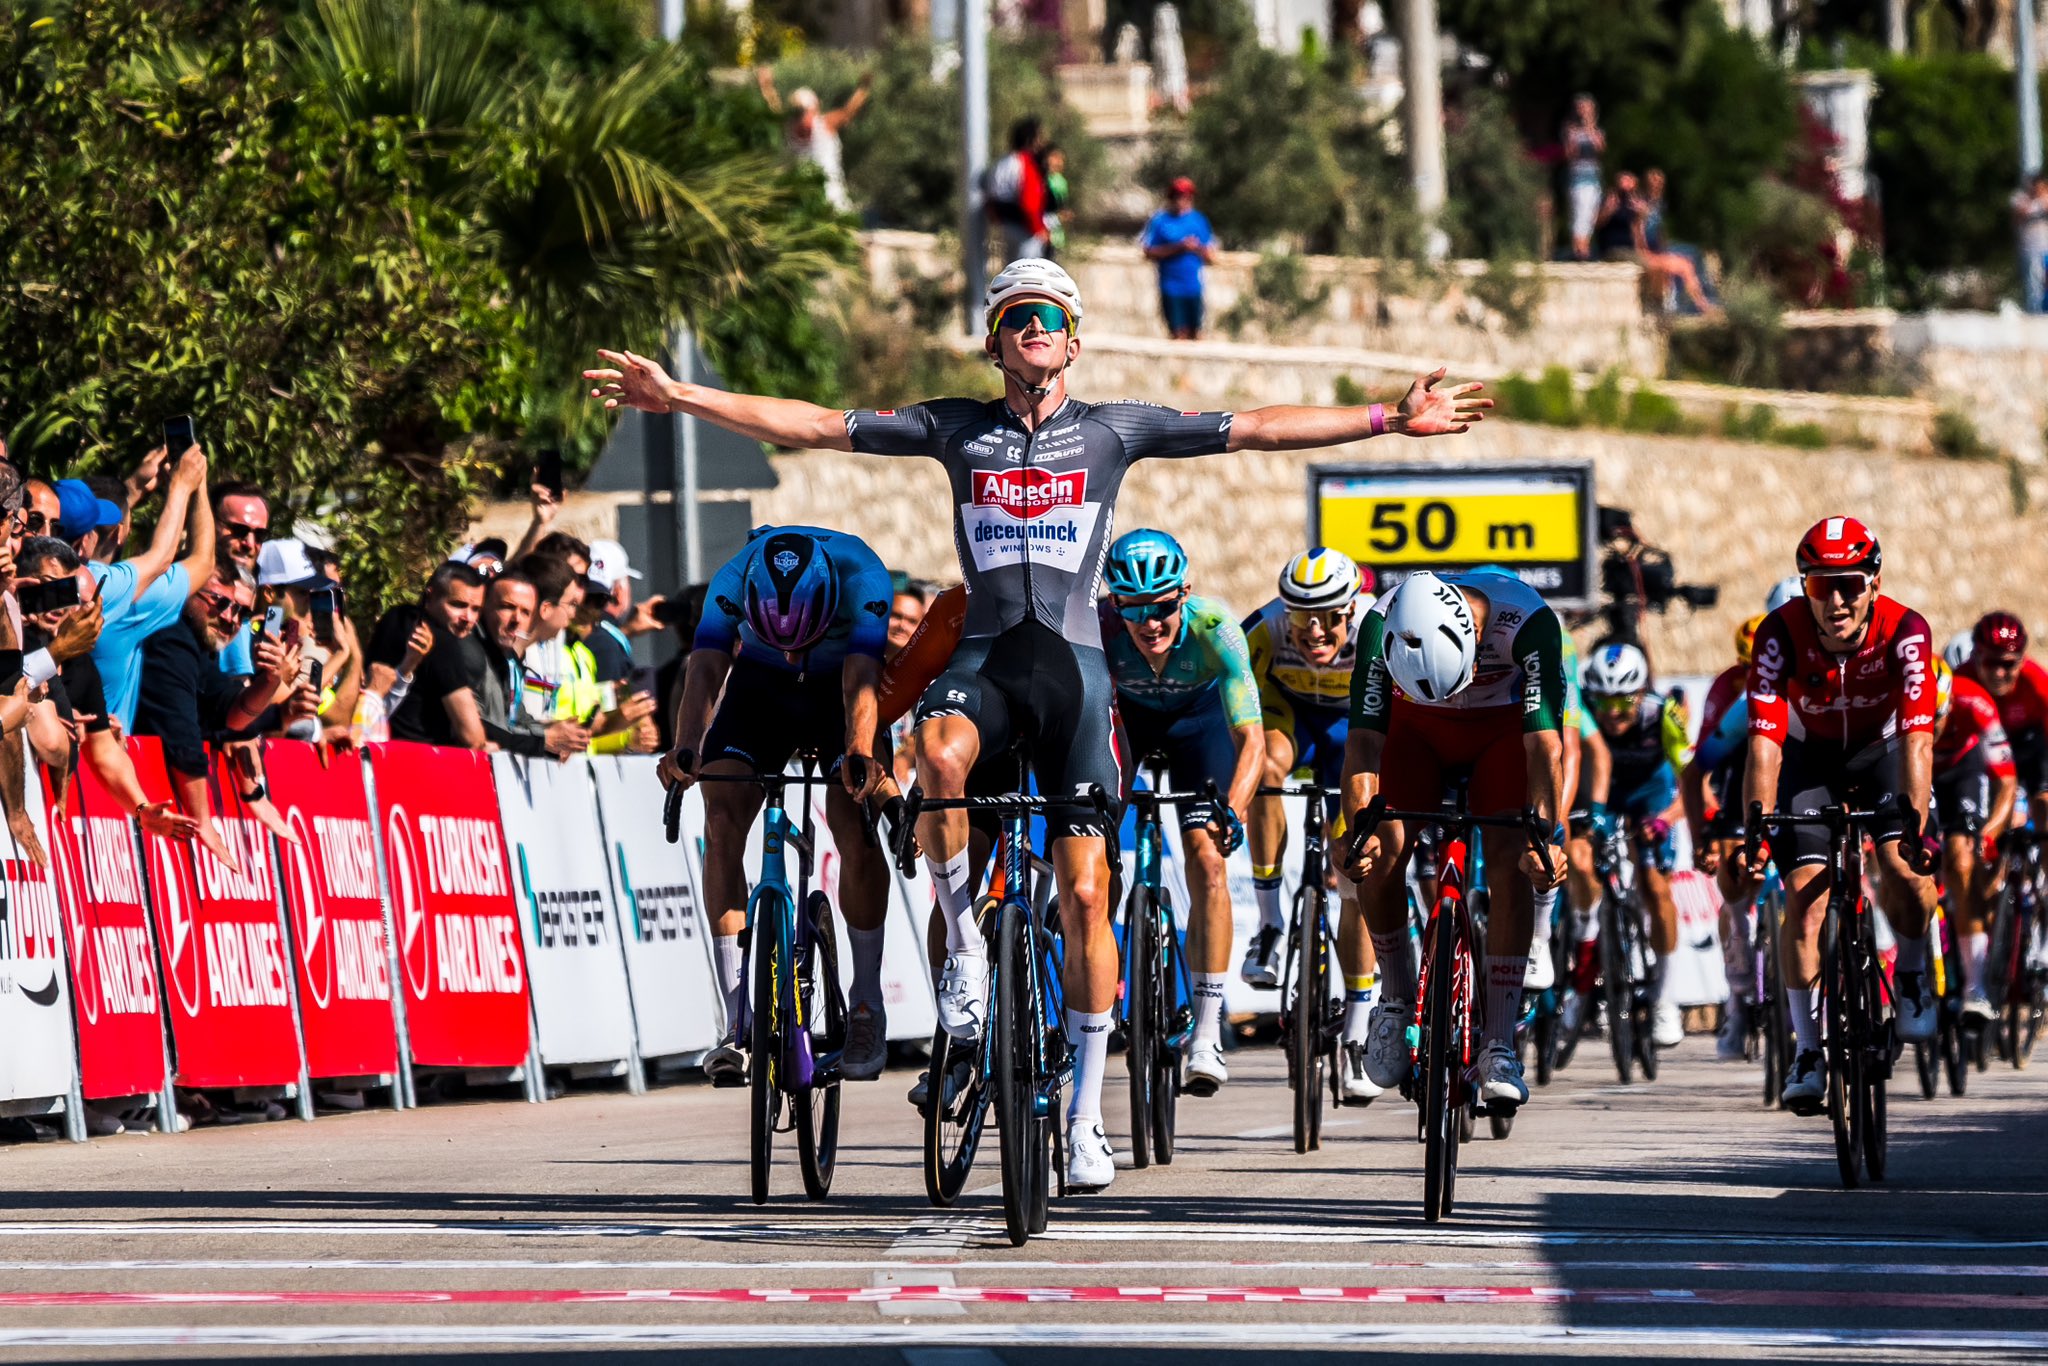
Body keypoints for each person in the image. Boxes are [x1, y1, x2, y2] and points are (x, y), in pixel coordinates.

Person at [588, 256, 1487, 1190]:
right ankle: (965, 957)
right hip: (983, 666)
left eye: (1051, 316)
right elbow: (816, 424)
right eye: (1018, 315)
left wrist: (1387, 417)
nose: (1035, 330)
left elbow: (1256, 428)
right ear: (993, 339)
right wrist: (679, 396)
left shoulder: (1112, 431)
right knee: (935, 751)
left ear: (1075, 340)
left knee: (1088, 896)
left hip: (1076, 677)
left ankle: (1089, 1118)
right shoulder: (951, 428)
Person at [662, 526, 895, 1084]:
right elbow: (707, 669)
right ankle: (737, 1015)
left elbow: (862, 682)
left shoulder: (863, 575)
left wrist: (858, 753)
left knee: (853, 820)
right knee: (720, 817)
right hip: (761, 686)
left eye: (800, 637)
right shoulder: (733, 577)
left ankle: (865, 1004)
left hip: (838, 683)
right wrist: (686, 745)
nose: (793, 646)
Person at [1338, 571, 1569, 1110]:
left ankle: (1499, 1043)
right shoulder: (1379, 623)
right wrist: (1356, 834)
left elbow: (1545, 751)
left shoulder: (1529, 622)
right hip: (1414, 732)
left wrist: (1546, 840)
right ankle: (1394, 1000)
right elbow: (1365, 745)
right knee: (1379, 846)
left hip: (1502, 734)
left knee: (1515, 860)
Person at [1737, 517, 1939, 1115]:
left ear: (1873, 581)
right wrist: (1756, 821)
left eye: (1849, 584)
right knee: (1804, 898)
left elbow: (1919, 740)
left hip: (1883, 753)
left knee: (1904, 870)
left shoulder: (1906, 630)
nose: (1837, 600)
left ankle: (1912, 976)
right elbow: (1765, 744)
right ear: (1806, 587)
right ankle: (1806, 1051)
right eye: (1821, 586)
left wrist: (1916, 826)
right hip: (1809, 761)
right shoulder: (1780, 633)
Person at [1100, 529, 1262, 1096]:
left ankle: (1208, 1029)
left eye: (1164, 605)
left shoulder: (1214, 627)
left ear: (1184, 593)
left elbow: (1253, 741)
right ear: (1114, 603)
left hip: (1201, 726)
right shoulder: (1098, 627)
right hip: (1130, 722)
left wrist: (1232, 812)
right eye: (1135, 609)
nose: (1150, 623)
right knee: (1091, 852)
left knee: (1208, 861)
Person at [1240, 549, 1383, 1099]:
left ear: (1352, 607)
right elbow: (1234, 707)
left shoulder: (1377, 627)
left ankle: (1358, 1031)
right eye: (1301, 617)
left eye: (1327, 615)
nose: (1314, 630)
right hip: (1290, 716)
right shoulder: (1263, 629)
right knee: (1266, 766)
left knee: (1355, 878)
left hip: (1354, 730)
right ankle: (1273, 923)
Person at [16, 536, 195, 841]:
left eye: (69, 593)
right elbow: (49, 742)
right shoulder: (14, 638)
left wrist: (141, 808)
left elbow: (104, 750)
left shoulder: (81, 665)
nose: (62, 603)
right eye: (51, 587)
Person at [132, 565, 297, 865]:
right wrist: (202, 820)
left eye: (241, 613)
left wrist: (271, 683)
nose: (229, 618)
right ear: (190, 589)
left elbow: (227, 713)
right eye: (221, 603)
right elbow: (181, 732)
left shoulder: (199, 644)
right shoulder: (170, 633)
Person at [1577, 641, 1690, 1050]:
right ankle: (1584, 945)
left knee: (1656, 887)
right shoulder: (1582, 713)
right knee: (1580, 860)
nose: (1611, 715)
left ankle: (1665, 997)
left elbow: (1693, 782)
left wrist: (1665, 819)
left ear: (1641, 695)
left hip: (1651, 796)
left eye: (1623, 704)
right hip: (1602, 794)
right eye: (1602, 703)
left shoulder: (1663, 715)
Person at [1682, 613, 1765, 1059]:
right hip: (1741, 765)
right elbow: (1697, 770)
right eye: (1749, 668)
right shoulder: (1729, 690)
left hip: (1794, 765)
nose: (1758, 677)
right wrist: (1704, 837)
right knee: (1734, 872)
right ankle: (1737, 995)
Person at [89, 443, 216, 734]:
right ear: (122, 531)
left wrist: (132, 488)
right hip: (96, 765)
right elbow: (201, 561)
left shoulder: (46, 571)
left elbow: (101, 525)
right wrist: (189, 486)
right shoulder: (119, 594)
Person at [1929, 657, 2018, 1020]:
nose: (1933, 726)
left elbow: (2007, 781)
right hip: (1918, 768)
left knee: (1962, 857)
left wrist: (1989, 831)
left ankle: (1974, 986)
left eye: (1938, 716)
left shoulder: (1975, 703)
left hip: (1963, 770)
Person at [382, 562, 489, 750]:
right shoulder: (442, 641)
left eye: (476, 609)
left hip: (376, 751)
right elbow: (472, 737)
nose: (468, 618)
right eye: (458, 605)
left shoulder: (395, 617)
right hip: (420, 761)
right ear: (430, 596)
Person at [1958, 610, 2048, 832]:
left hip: (2028, 746)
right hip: (1984, 753)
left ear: (2021, 661)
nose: (1999, 673)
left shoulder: (2036, 682)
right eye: (1990, 663)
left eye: (2007, 665)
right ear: (1976, 657)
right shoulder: (1961, 681)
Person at [757, 67, 870, 215]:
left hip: (831, 198)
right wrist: (766, 86)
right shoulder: (789, 126)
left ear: (815, 110)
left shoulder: (825, 125)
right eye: (798, 113)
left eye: (804, 112)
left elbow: (849, 111)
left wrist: (863, 88)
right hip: (801, 196)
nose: (802, 118)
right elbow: (774, 106)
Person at [1141, 176, 1216, 341]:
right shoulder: (1160, 221)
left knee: (1197, 334)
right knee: (1178, 334)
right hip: (1171, 287)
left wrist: (1195, 248)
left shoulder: (1199, 220)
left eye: (1187, 195)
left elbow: (1210, 254)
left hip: (1193, 286)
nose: (1182, 199)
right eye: (1178, 195)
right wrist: (1178, 248)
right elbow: (1148, 251)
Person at [985, 118, 1051, 261]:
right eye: (1039, 136)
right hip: (1025, 229)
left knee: (1011, 272)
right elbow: (1029, 203)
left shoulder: (1002, 163)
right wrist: (1039, 229)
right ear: (1031, 139)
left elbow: (991, 198)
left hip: (1006, 227)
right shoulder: (1025, 163)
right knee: (1029, 276)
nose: (1042, 141)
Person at [1562, 95, 1606, 261]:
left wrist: (1589, 128)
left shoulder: (1597, 131)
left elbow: (1600, 148)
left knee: (1591, 214)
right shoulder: (1571, 130)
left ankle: (1584, 247)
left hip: (1593, 177)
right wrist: (1575, 137)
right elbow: (1569, 154)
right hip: (1578, 178)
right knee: (1580, 212)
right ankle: (1579, 250)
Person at [2015, 172, 2048, 314]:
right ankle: (2035, 311)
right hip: (2032, 248)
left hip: (2046, 246)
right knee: (2034, 282)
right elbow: (2020, 214)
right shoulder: (2022, 199)